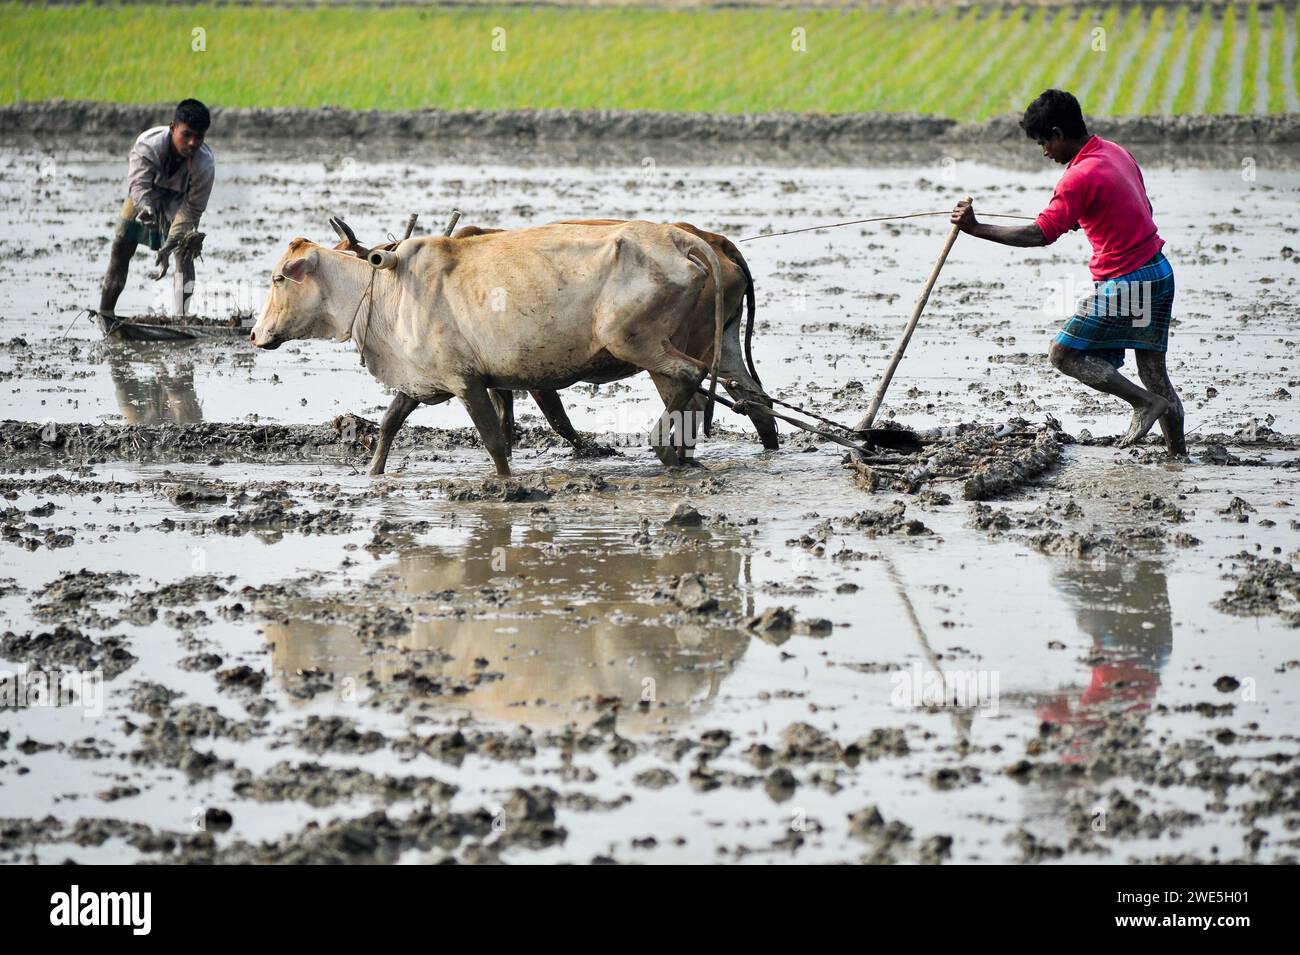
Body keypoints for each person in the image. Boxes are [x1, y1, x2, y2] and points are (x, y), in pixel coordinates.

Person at [951, 89, 1185, 457]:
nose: (1045, 152)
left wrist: (976, 228)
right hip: (1158, 271)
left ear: (1059, 134)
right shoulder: (1114, 152)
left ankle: (1143, 404)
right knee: (1155, 372)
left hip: (1128, 279)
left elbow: (1038, 234)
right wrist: (1090, 214)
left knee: (1064, 355)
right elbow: (1139, 204)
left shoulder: (1077, 178)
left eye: (1044, 142)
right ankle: (1178, 457)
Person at [97, 99, 214, 335]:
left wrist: (169, 245)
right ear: (173, 128)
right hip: (148, 194)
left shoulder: (205, 164)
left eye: (198, 137)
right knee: (121, 244)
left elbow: (192, 209)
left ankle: (181, 320)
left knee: (184, 253)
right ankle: (106, 313)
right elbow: (138, 186)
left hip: (181, 202)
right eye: (186, 135)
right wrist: (147, 208)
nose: (192, 143)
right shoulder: (147, 146)